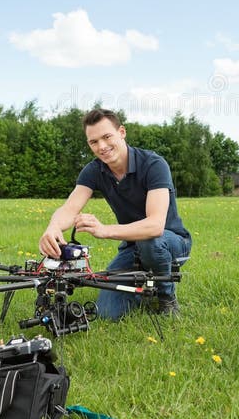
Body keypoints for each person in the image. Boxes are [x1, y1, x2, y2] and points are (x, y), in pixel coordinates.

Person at [39, 108, 192, 320]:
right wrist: (53, 228)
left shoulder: (154, 164)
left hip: (170, 242)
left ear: (122, 132)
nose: (101, 146)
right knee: (108, 313)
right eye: (94, 142)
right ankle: (144, 288)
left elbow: (155, 226)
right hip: (132, 247)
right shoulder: (94, 170)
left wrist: (104, 230)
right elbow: (69, 209)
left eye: (107, 137)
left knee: (151, 242)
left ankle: (166, 296)